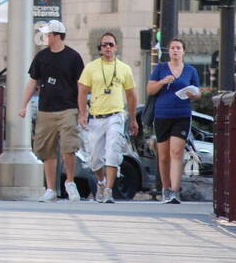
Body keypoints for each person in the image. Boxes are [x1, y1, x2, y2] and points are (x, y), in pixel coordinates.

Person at [18, 20, 85, 202]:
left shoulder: (73, 57)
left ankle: (70, 182)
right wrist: (23, 105)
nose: (46, 37)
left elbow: (81, 85)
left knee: (68, 147)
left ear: (57, 36)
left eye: (48, 34)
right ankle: (50, 188)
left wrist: (82, 111)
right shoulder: (41, 57)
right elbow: (33, 81)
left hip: (68, 109)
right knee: (47, 150)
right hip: (45, 109)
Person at [77, 32, 138, 203]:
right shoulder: (91, 67)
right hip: (96, 116)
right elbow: (82, 91)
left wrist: (132, 119)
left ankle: (109, 190)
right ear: (100, 48)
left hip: (116, 116)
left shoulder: (125, 68)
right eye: (104, 45)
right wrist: (83, 113)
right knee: (94, 158)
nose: (108, 47)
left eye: (111, 44)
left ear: (116, 47)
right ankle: (101, 182)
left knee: (113, 152)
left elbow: (132, 96)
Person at [146, 37, 201, 203]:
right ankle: (166, 188)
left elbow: (198, 92)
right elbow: (150, 89)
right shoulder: (161, 68)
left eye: (178, 48)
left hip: (182, 114)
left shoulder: (191, 70)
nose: (175, 51)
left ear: (183, 51)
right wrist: (163, 82)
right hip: (162, 115)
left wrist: (194, 94)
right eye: (172, 48)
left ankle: (175, 192)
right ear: (168, 51)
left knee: (176, 152)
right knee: (163, 156)